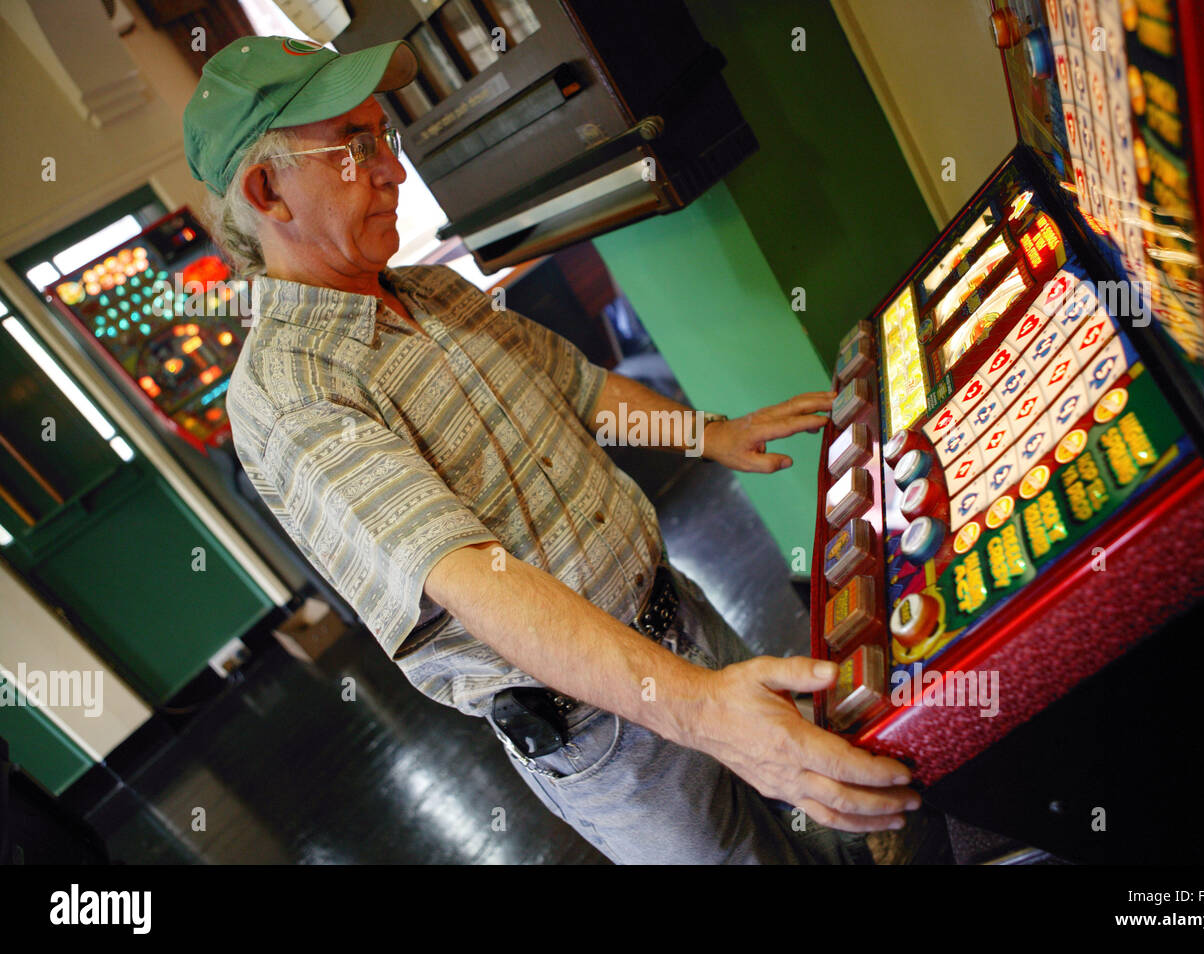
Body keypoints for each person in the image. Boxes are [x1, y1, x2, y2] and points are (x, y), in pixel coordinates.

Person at [182, 35, 919, 864]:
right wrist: (706, 712)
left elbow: (577, 385)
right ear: (266, 191)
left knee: (836, 812)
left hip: (682, 623)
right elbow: (470, 582)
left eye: (382, 137)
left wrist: (706, 433)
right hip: (601, 735)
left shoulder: (429, 289)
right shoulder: (287, 392)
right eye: (355, 147)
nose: (391, 169)